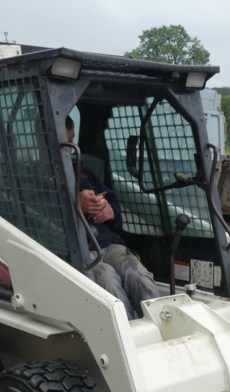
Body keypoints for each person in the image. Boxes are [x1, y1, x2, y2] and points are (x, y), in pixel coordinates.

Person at [64, 117, 159, 319]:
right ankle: (128, 336)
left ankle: (158, 327)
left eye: (72, 142)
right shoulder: (36, 177)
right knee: (108, 280)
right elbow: (37, 220)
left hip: (106, 242)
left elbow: (112, 201)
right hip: (72, 248)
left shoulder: (83, 172)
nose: (70, 150)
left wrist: (110, 210)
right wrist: (74, 204)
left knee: (140, 276)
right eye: (64, 144)